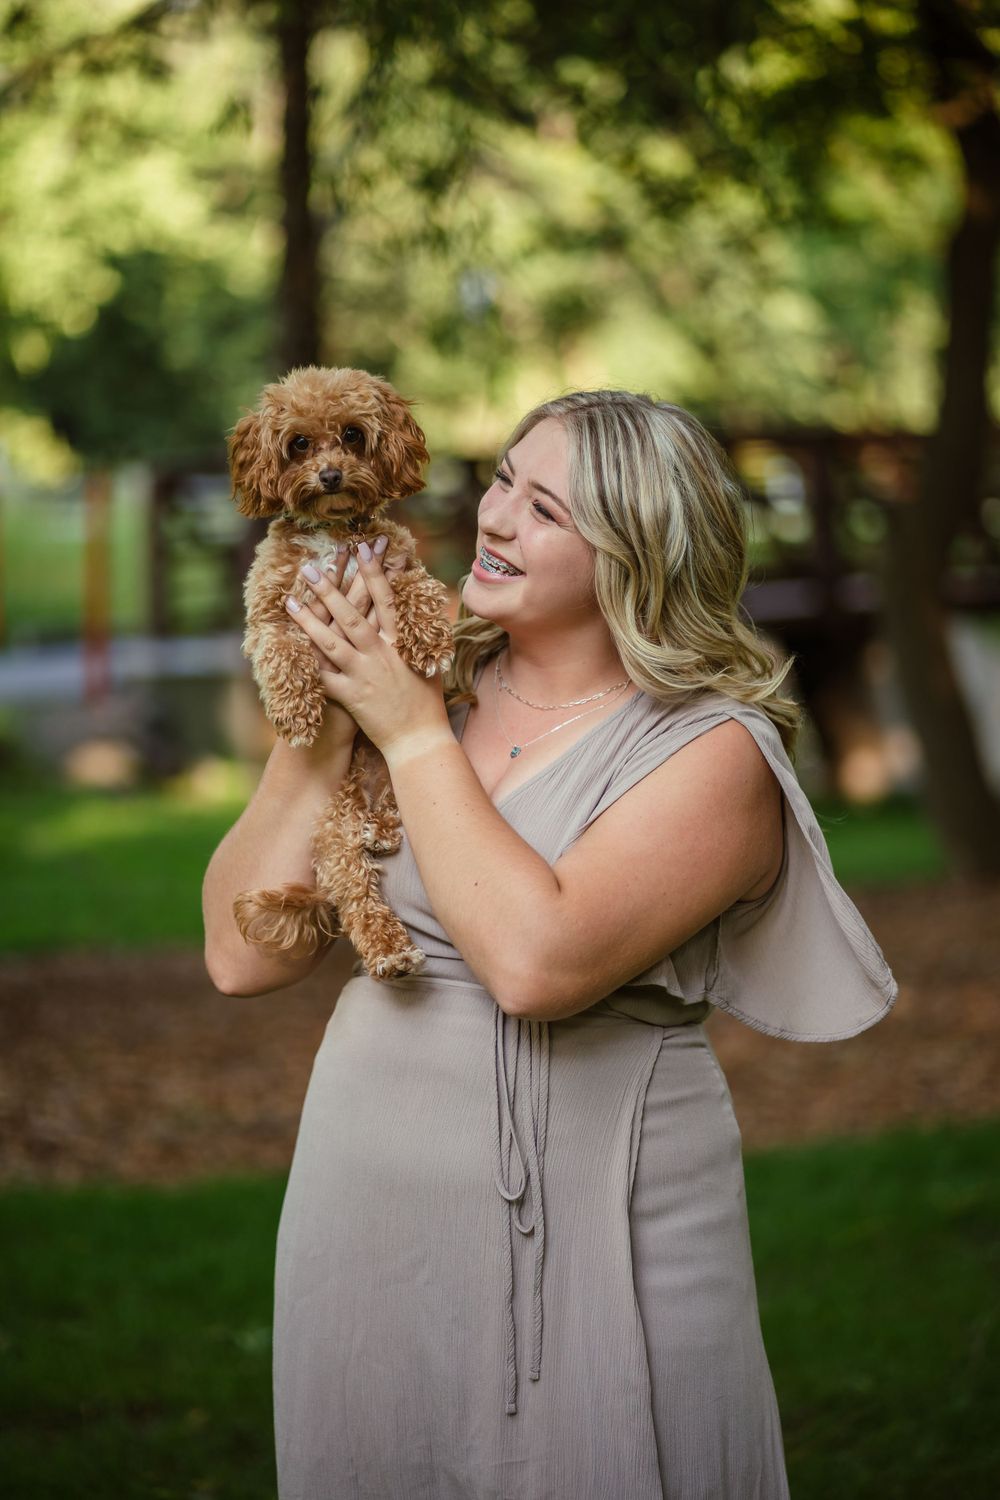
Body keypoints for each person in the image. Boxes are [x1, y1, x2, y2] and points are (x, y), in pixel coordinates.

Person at [203, 389, 898, 1500]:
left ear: (638, 552)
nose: (494, 519)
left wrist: (409, 733)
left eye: (546, 508)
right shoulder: (436, 675)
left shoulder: (710, 751)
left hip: (597, 1228)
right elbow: (242, 959)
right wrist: (324, 729)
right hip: (365, 1207)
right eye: (500, 482)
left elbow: (536, 965)